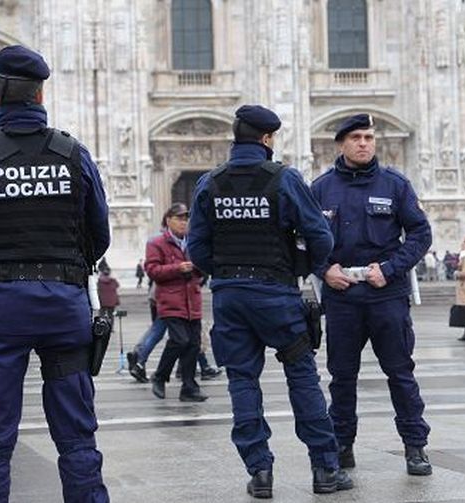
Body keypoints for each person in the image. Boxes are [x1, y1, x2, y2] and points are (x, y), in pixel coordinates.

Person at [0, 45, 110, 502]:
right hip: (63, 305)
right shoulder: (73, 155)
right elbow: (100, 234)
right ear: (40, 96)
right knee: (76, 434)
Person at [189, 104, 352, 498]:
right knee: (302, 377)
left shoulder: (210, 183)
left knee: (242, 381)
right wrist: (300, 268)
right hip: (276, 294)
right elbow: (321, 237)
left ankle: (259, 472)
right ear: (266, 139)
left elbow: (196, 248)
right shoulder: (284, 179)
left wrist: (224, 273)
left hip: (230, 297)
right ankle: (325, 469)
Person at [311, 113, 433, 476]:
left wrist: (391, 269)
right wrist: (324, 268)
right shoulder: (320, 188)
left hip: (386, 294)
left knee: (400, 372)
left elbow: (420, 235)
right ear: (341, 144)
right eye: (356, 138)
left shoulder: (395, 184)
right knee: (342, 376)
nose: (363, 143)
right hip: (342, 295)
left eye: (368, 137)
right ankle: (342, 445)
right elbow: (303, 239)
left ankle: (415, 445)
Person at [146, 203, 207, 402]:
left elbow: (205, 266)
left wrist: (197, 267)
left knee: (193, 345)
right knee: (180, 340)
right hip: (171, 301)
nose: (184, 222)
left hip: (192, 300)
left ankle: (189, 387)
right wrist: (177, 268)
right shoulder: (157, 243)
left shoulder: (193, 242)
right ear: (168, 220)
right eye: (179, 218)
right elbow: (152, 271)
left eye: (186, 218)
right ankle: (160, 376)